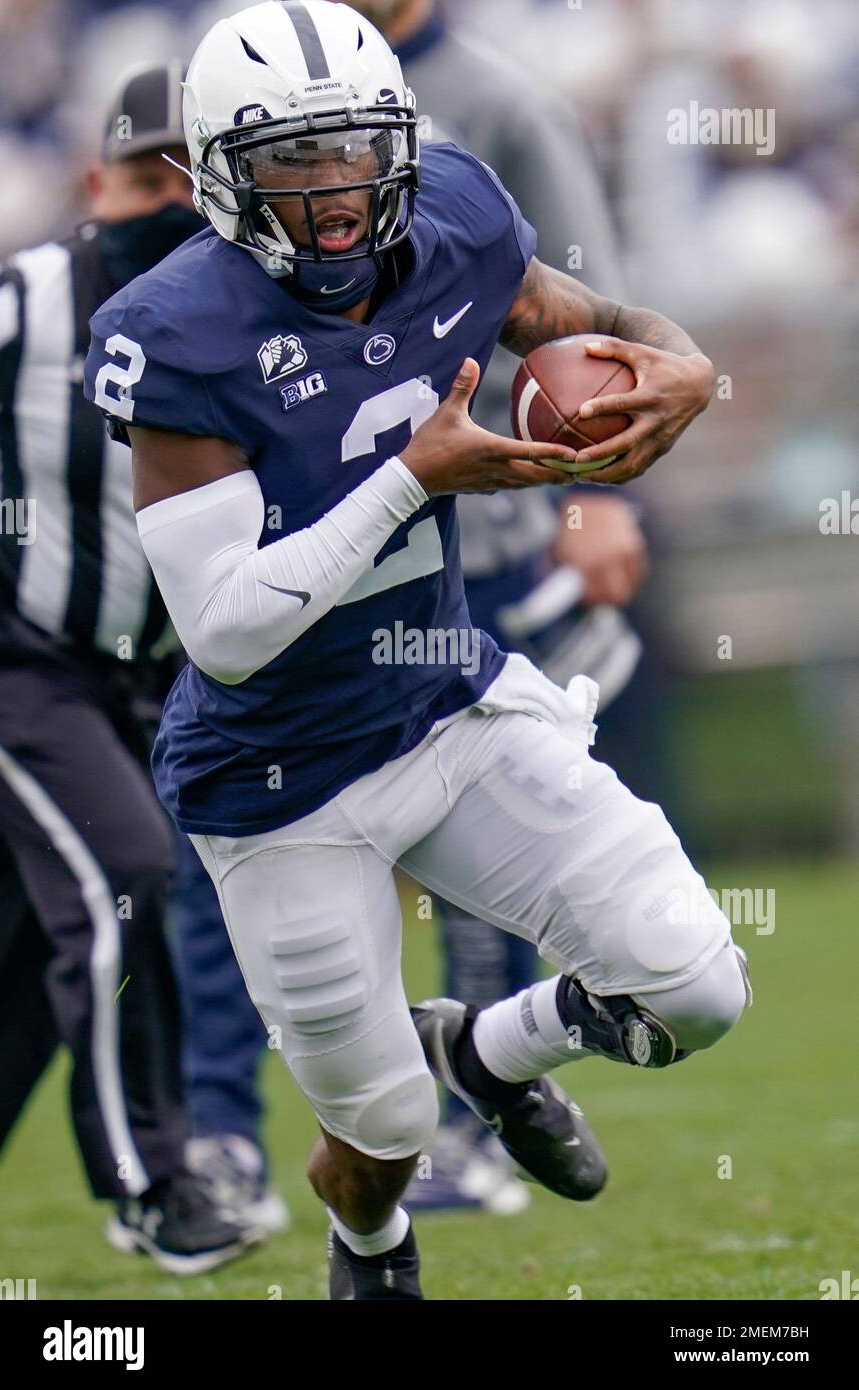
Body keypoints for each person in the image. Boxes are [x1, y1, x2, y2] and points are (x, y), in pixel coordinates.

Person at [85, 1, 751, 1301]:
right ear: (220, 171)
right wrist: (410, 477)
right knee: (378, 1130)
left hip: (442, 702)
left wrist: (676, 363)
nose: (335, 193)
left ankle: (495, 1051)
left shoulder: (452, 211)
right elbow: (221, 631)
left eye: (354, 150)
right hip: (279, 781)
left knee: (693, 986)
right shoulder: (177, 330)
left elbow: (580, 317)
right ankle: (374, 1245)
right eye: (292, 161)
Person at [333, 0, 651, 1213]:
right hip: (359, 512)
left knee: (480, 794)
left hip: (499, 507)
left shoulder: (501, 97)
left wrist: (599, 494)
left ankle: (474, 1103)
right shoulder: (292, 97)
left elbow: (591, 310)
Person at [0, 60, 258, 1274]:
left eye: (187, 174)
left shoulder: (248, 309)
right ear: (94, 179)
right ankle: (154, 1181)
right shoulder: (27, 301)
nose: (168, 198)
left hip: (143, 681)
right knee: (125, 881)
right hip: (19, 666)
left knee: (19, 948)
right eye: (144, 172)